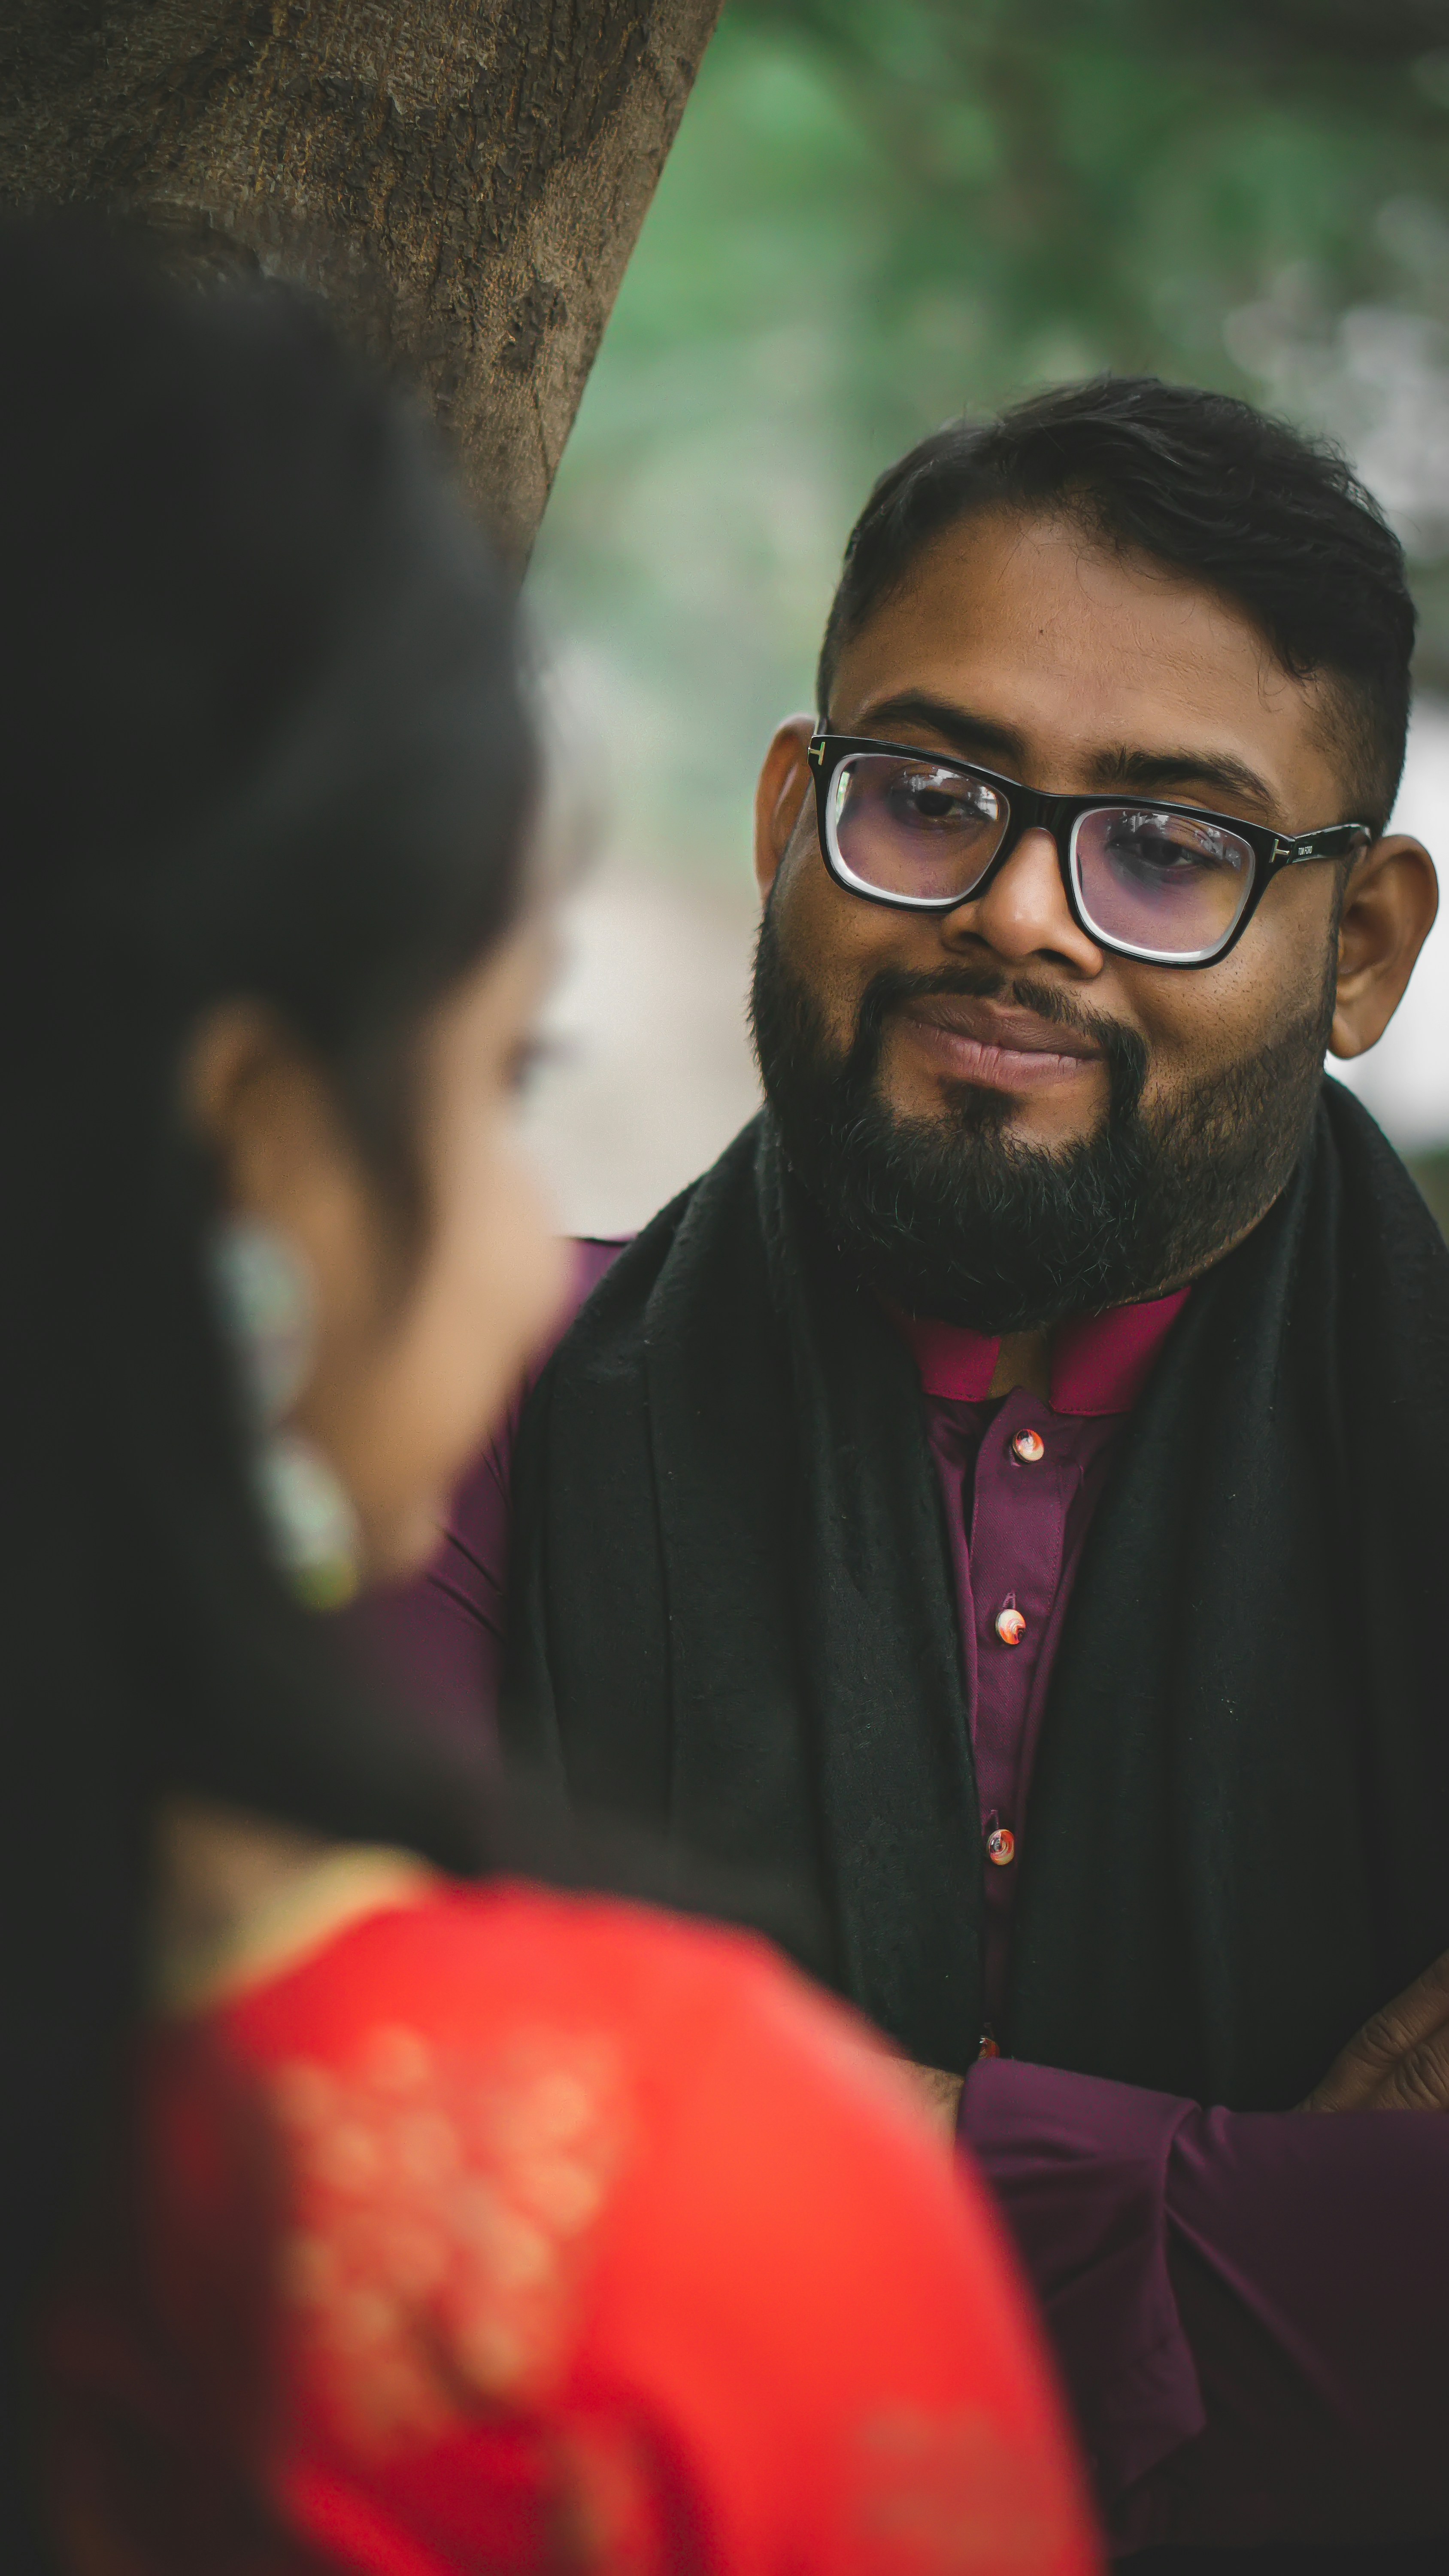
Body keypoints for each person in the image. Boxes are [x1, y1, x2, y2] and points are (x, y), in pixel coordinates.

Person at [0, 225, 1098, 2576]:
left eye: (1170, 850)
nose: (530, 1262)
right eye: (503, 1080)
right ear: (260, 1155)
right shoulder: (662, 2201)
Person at [376, 380, 1449, 2563]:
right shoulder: (448, 1407)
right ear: (796, 812)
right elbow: (379, 2184)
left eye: (1171, 848)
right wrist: (1229, 2207)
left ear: (1357, 950)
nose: (1022, 914)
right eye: (934, 798)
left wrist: (727, 2140)